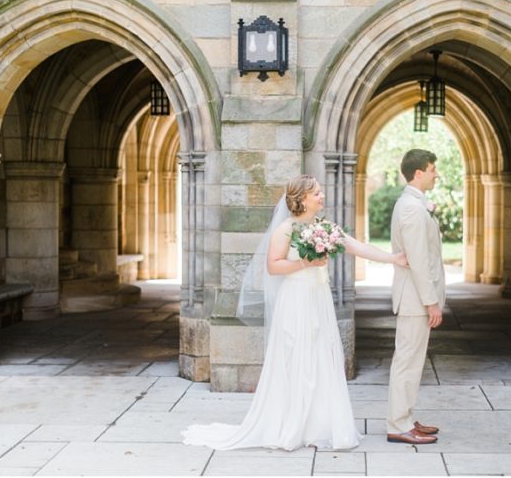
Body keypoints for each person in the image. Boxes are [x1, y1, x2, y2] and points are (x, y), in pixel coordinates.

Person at [182, 174, 408, 451]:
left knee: (320, 356)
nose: (322, 197)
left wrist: (393, 259)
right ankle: (290, 425)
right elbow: (273, 266)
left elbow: (356, 246)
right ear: (301, 198)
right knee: (296, 355)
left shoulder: (323, 226)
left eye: (321, 192)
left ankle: (318, 426)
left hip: (318, 297)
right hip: (296, 299)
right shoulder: (286, 229)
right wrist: (305, 262)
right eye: (317, 193)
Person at [386, 149, 446, 445]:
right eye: (432, 169)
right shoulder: (411, 207)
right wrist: (431, 301)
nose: (436, 174)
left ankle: (406, 417)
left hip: (415, 298)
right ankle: (398, 424)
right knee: (407, 362)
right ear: (418, 173)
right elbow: (418, 259)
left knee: (412, 361)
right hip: (414, 299)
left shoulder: (415, 203)